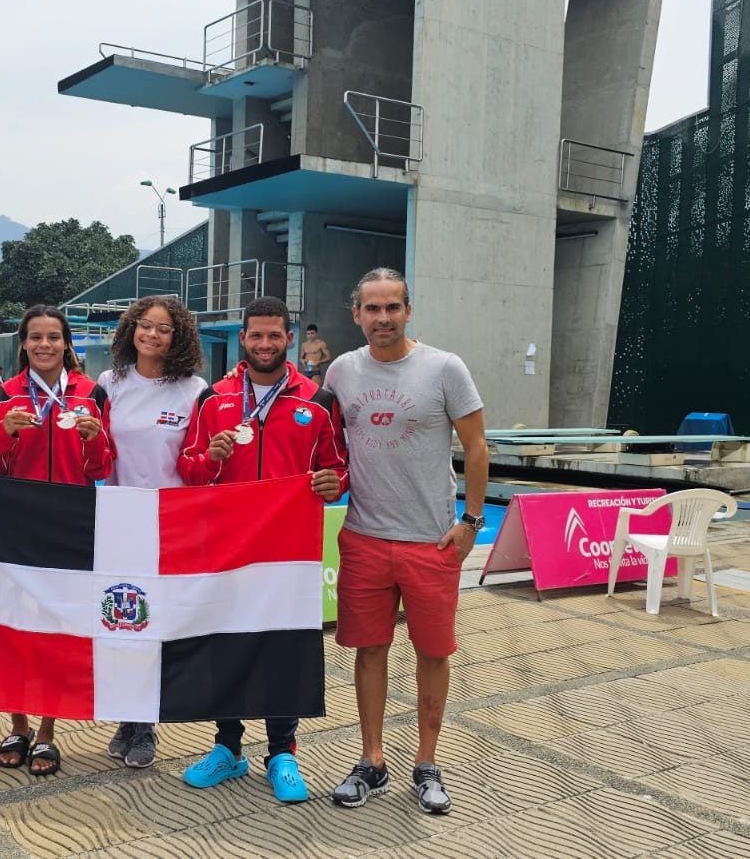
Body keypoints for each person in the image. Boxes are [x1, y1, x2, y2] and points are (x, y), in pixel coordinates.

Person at [323, 268, 487, 816]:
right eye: (372, 309)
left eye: (392, 307)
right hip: (365, 537)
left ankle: (427, 762)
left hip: (430, 541)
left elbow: (477, 445)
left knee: (432, 652)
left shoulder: (444, 368)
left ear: (408, 311)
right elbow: (325, 444)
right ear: (357, 315)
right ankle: (372, 760)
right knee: (369, 650)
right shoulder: (342, 371)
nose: (383, 318)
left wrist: (472, 521)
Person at [177, 296, 348, 804]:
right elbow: (189, 469)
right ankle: (228, 747)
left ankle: (282, 752)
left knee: (284, 649)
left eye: (275, 335)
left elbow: (338, 467)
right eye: (257, 335)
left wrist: (333, 483)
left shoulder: (318, 400)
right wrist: (211, 457)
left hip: (287, 552)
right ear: (243, 339)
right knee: (225, 646)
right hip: (225, 548)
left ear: (289, 339)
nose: (266, 344)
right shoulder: (214, 399)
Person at [0, 304, 114, 776]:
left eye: (53, 337)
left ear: (66, 344)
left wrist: (93, 439)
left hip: (70, 524)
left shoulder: (91, 395)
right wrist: (3, 434)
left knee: (58, 630)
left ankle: (47, 730)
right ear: (23, 344)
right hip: (16, 525)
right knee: (16, 629)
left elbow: (102, 467)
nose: (44, 345)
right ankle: (17, 725)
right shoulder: (2, 395)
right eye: (35, 338)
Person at [95, 296, 206, 769]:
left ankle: (145, 725)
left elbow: (198, 459)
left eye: (164, 328)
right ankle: (128, 716)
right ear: (131, 329)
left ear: (178, 336)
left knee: (153, 623)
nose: (152, 335)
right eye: (145, 325)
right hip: (121, 518)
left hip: (170, 521)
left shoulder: (194, 390)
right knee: (121, 621)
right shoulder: (110, 382)